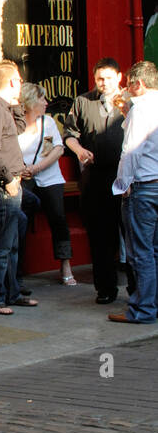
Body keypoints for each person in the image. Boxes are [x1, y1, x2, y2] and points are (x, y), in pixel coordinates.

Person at [64, 58, 127, 305]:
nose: (104, 83)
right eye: (100, 78)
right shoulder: (82, 101)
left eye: (109, 78)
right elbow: (69, 135)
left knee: (131, 234)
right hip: (95, 177)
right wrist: (78, 150)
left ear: (119, 77)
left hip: (125, 175)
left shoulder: (130, 101)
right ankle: (105, 288)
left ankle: (139, 288)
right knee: (100, 236)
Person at [0, 60, 35, 315]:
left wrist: (17, 105)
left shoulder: (4, 109)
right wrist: (8, 178)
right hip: (3, 187)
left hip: (10, 184)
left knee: (10, 245)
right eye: (19, 81)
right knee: (1, 246)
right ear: (12, 82)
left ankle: (10, 294)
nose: (21, 85)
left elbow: (20, 128)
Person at [109, 61, 158, 324]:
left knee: (141, 252)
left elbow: (131, 151)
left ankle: (142, 309)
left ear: (138, 84)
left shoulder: (141, 109)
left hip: (144, 186)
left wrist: (122, 184)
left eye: (128, 83)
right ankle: (152, 305)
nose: (126, 88)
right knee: (154, 251)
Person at [17, 82, 74, 285]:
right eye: (42, 99)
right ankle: (17, 270)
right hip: (23, 177)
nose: (46, 102)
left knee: (58, 218)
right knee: (19, 220)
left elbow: (56, 149)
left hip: (49, 176)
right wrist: (22, 169)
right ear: (30, 102)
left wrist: (37, 168)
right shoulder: (15, 124)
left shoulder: (47, 122)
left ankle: (65, 265)